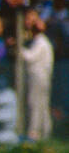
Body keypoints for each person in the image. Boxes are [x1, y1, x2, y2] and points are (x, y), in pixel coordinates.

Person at [20, 12, 55, 140]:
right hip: (40, 78)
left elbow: (30, 57)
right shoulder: (39, 41)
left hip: (38, 78)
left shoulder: (41, 42)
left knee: (35, 104)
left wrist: (18, 47)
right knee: (41, 105)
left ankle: (34, 133)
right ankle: (45, 133)